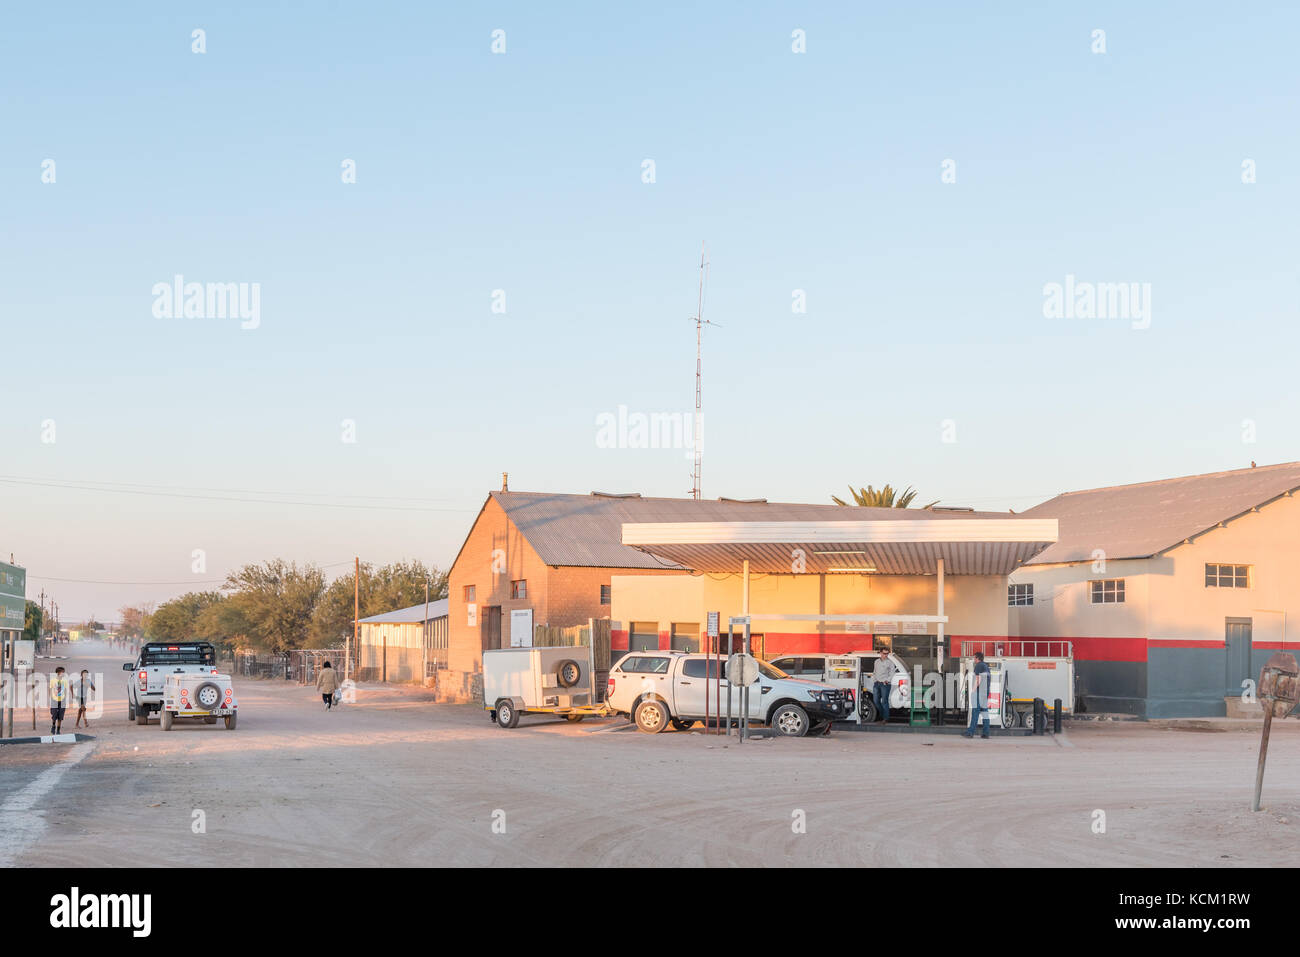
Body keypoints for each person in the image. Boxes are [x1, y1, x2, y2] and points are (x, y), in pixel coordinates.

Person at [964, 651, 991, 739]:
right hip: (985, 692)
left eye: (974, 658)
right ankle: (986, 733)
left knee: (975, 712)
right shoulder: (986, 666)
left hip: (979, 692)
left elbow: (978, 679)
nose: (974, 659)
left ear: (977, 658)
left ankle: (970, 733)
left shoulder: (978, 666)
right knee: (985, 712)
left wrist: (973, 690)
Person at [871, 650, 897, 724]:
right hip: (877, 683)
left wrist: (887, 680)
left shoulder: (890, 662)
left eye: (887, 654)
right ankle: (883, 716)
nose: (886, 655)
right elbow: (874, 671)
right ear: (881, 653)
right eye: (884, 653)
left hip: (885, 684)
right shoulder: (876, 661)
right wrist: (874, 680)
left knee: (884, 701)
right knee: (876, 701)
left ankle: (885, 719)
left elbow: (892, 673)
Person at [49, 667, 71, 735]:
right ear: (58, 673)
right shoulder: (53, 680)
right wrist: (51, 697)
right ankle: (53, 726)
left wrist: (65, 698)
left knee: (60, 716)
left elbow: (66, 690)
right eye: (62, 672)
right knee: (54, 715)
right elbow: (50, 689)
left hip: (62, 700)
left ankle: (58, 729)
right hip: (54, 700)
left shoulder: (65, 681)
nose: (63, 674)